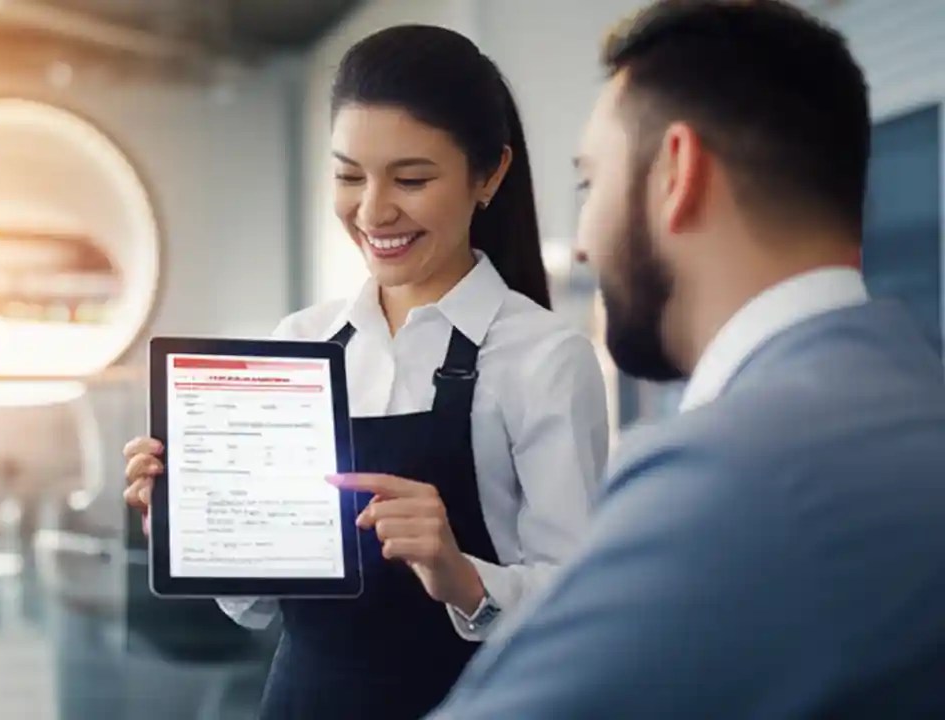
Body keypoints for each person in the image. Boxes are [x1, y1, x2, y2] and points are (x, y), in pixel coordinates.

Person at [429, 1, 945, 717]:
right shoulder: (916, 394)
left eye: (590, 184)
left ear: (677, 171)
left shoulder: (734, 472)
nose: (581, 244)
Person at [123, 24, 609, 720]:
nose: (373, 210)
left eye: (411, 179)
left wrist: (462, 576)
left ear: (489, 174)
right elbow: (256, 607)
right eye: (349, 175)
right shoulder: (299, 341)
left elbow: (582, 616)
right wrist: (188, 521)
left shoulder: (545, 359)